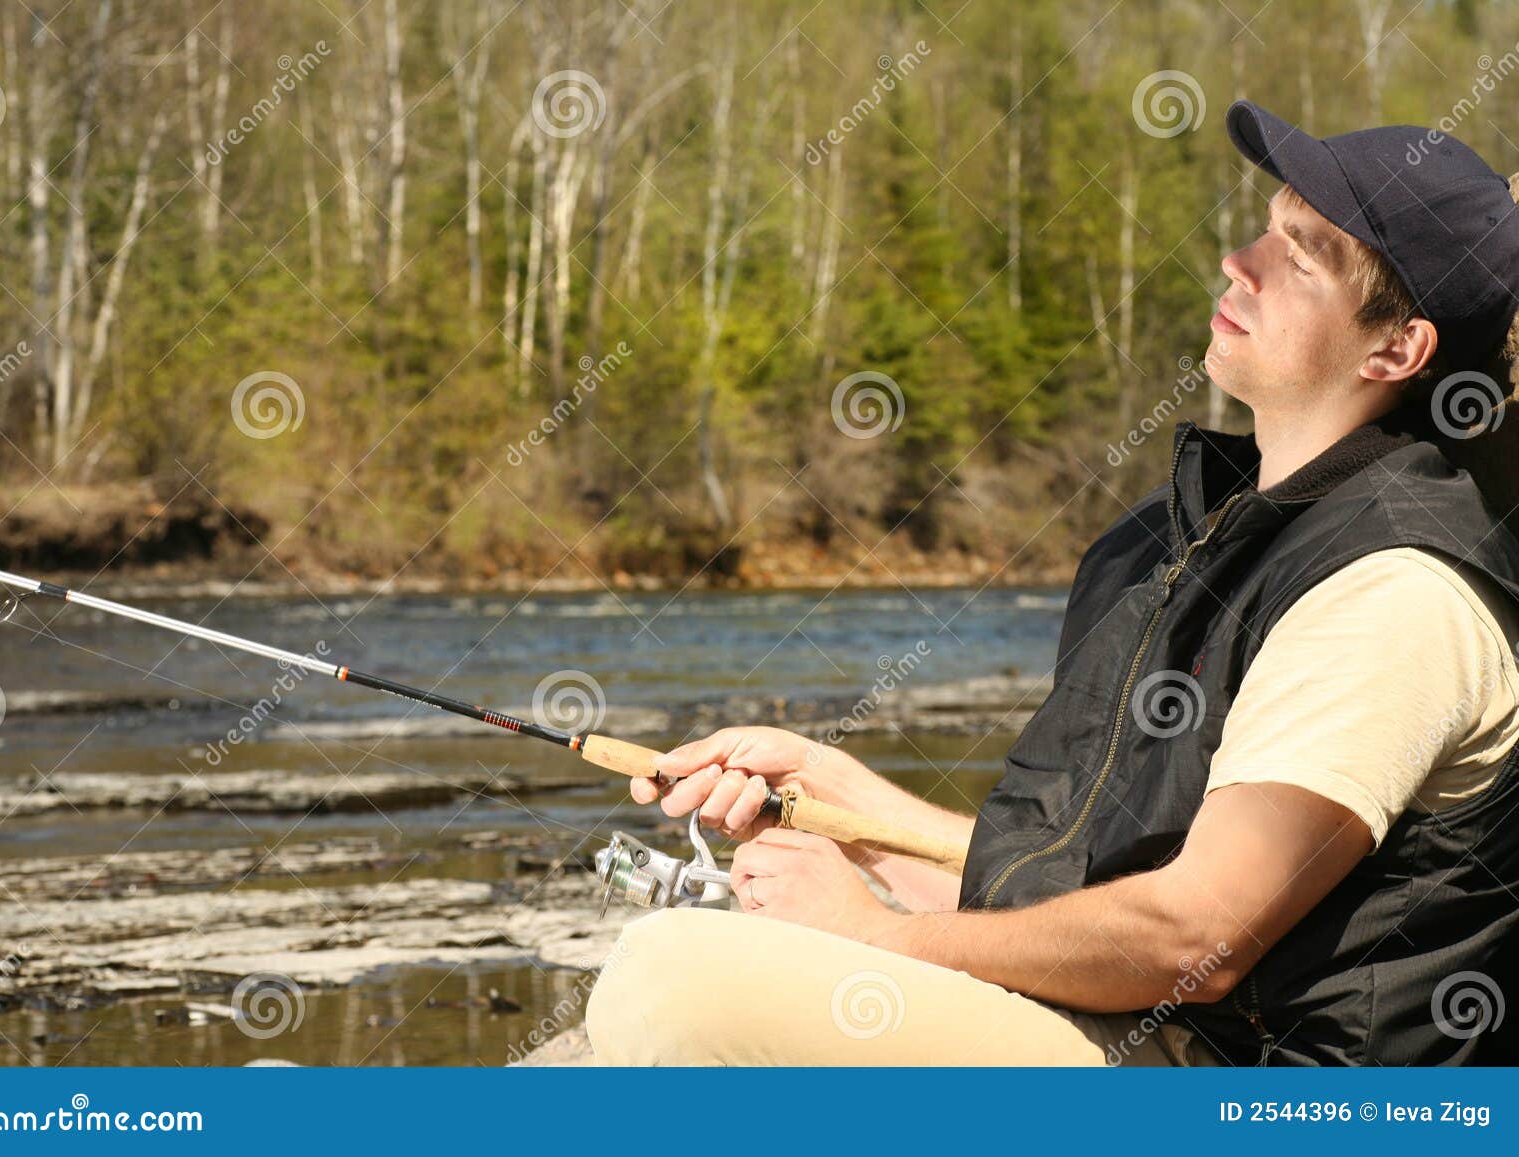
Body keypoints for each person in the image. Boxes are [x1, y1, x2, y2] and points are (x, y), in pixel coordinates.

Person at [585, 100, 1519, 1066]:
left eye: (1302, 255)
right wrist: (840, 800)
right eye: (1266, 227)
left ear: (1397, 350)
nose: (1243, 260)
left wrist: (871, 935)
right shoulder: (1192, 541)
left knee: (673, 984)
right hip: (1157, 1045)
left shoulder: (1395, 594)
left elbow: (1190, 936)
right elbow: (1071, 896)